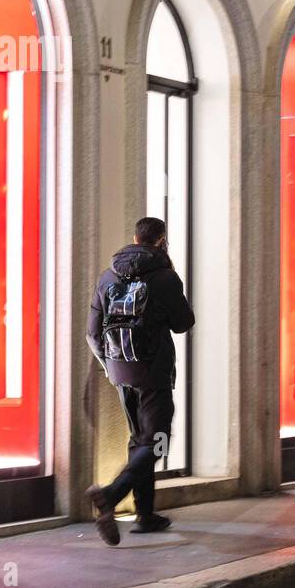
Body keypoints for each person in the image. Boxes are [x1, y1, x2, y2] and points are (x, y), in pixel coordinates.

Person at [84, 217, 195, 546]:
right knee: (156, 439)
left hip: (120, 371)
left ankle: (145, 515)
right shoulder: (165, 277)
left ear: (134, 238)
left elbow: (92, 332)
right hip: (154, 371)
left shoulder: (108, 276)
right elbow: (183, 323)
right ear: (161, 240)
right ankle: (111, 494)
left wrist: (109, 366)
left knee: (140, 439)